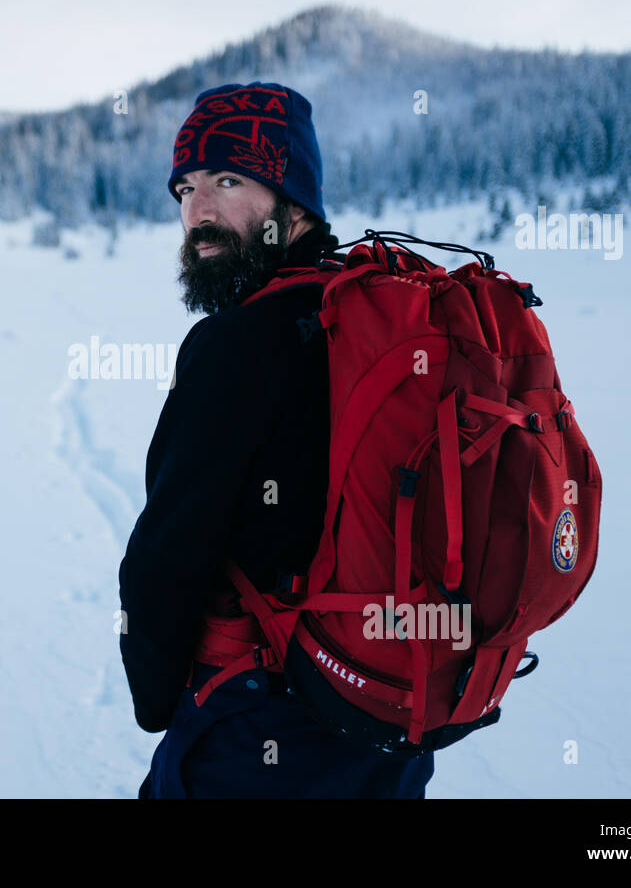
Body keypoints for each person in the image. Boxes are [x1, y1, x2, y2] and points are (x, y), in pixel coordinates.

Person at [118, 82, 435, 798]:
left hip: (259, 728)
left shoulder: (234, 344)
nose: (198, 212)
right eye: (185, 189)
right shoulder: (375, 317)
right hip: (391, 717)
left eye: (228, 181)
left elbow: (167, 555)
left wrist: (155, 698)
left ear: (294, 206)